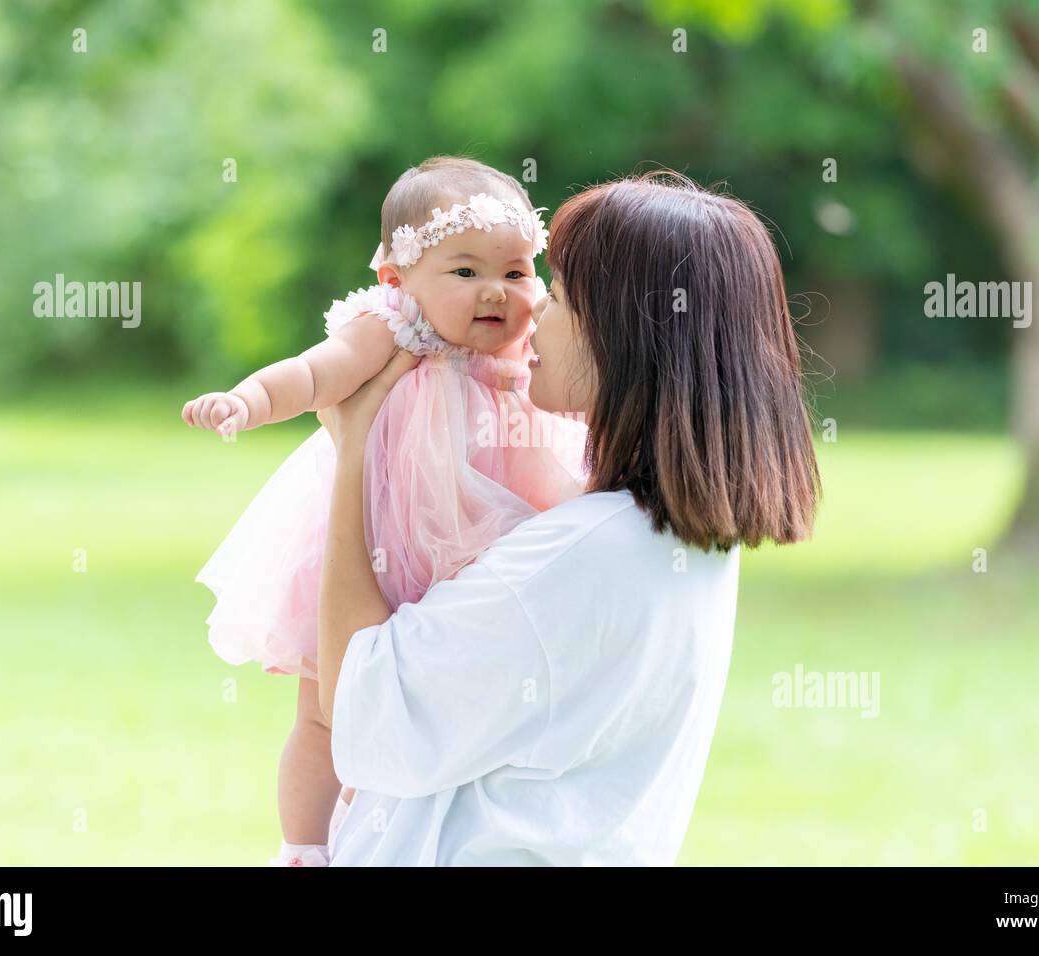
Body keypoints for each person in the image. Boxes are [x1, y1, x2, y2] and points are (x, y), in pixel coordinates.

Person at [313, 170, 822, 865]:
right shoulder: (681, 538)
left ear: (622, 335)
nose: (530, 316)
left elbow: (364, 714)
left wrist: (353, 452)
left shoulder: (579, 554)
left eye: (555, 294)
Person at [182, 157, 589, 866]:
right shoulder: (393, 329)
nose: (495, 291)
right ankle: (304, 846)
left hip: (481, 545)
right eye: (464, 273)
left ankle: (387, 824)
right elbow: (312, 374)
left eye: (517, 272)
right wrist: (245, 402)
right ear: (397, 279)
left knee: (425, 701)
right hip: (374, 539)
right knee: (325, 710)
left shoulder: (533, 345)